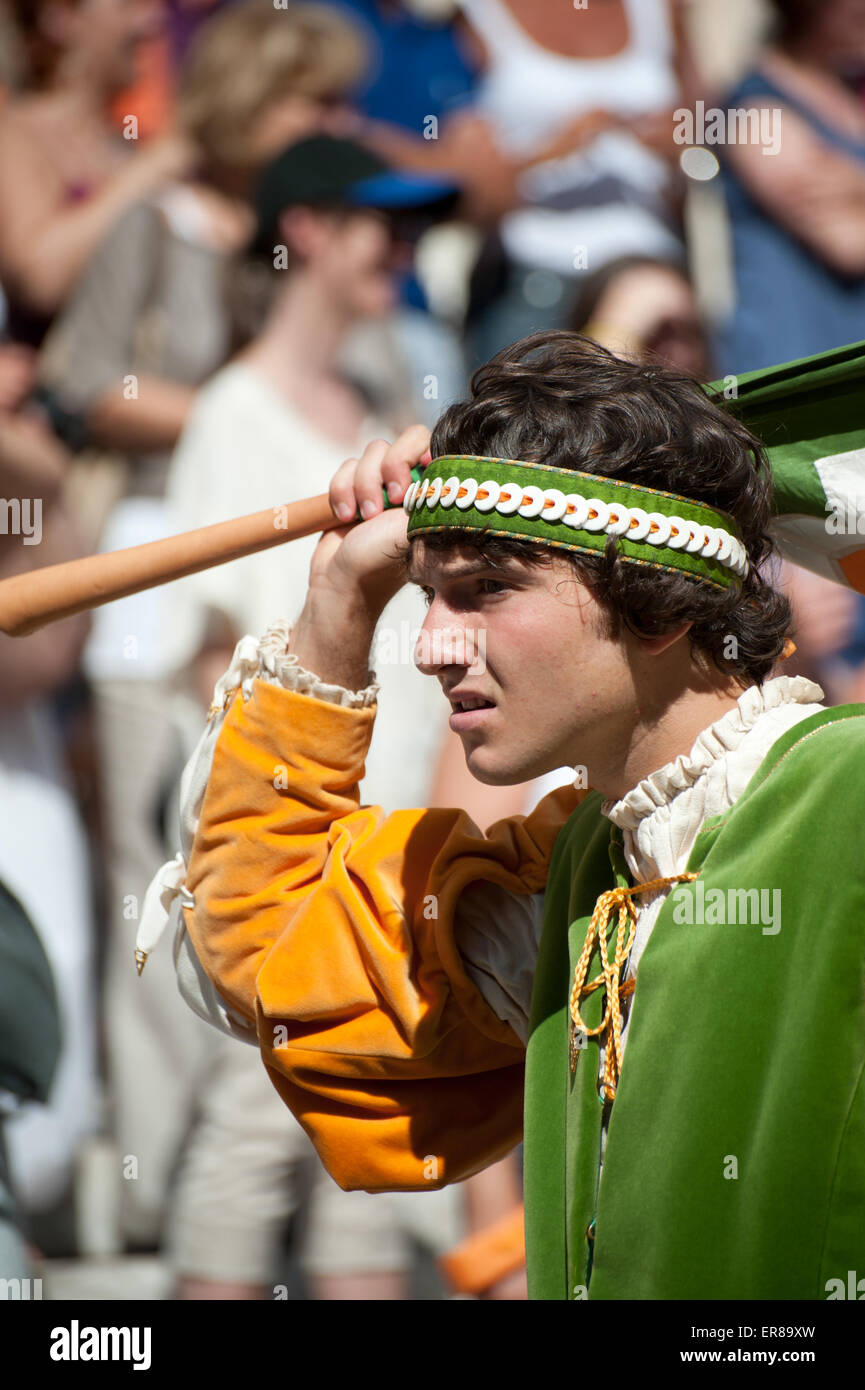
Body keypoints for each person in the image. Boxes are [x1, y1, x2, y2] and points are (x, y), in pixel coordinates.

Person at [151, 329, 865, 1299]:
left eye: (486, 590)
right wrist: (339, 601)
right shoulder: (574, 869)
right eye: (428, 596)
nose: (434, 646)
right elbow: (270, 961)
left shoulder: (843, 795)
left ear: (658, 605)